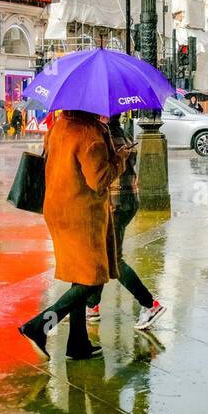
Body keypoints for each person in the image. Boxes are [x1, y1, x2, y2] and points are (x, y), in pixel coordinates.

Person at [19, 110, 128, 360]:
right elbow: (98, 180)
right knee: (93, 277)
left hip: (58, 209)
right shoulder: (90, 134)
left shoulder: (61, 125)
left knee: (80, 274)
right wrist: (120, 159)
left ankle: (78, 342)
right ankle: (39, 327)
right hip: (82, 214)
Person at [87, 115, 165, 331]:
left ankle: (150, 304)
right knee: (102, 256)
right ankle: (92, 306)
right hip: (128, 200)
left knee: (113, 260)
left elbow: (101, 175)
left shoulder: (106, 137)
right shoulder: (119, 132)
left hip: (115, 203)